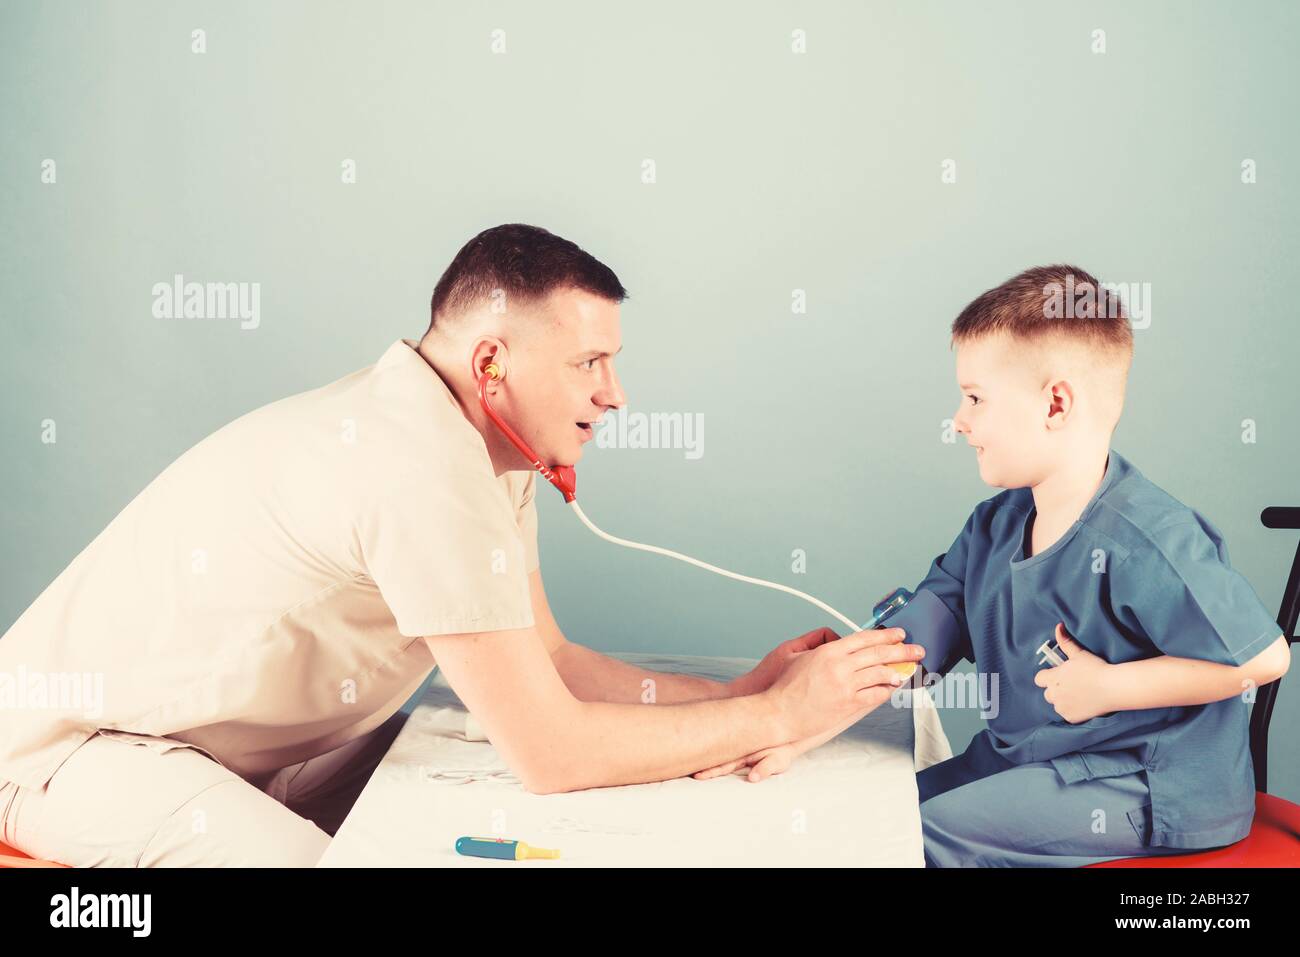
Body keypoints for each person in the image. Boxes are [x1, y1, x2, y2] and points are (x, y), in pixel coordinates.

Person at [0, 224, 919, 866]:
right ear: (492, 364)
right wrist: (779, 718)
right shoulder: (417, 464)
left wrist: (740, 692)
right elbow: (552, 751)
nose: (617, 394)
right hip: (76, 752)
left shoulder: (486, 446)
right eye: (589, 363)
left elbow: (550, 662)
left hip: (232, 746)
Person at [694, 264, 1290, 867]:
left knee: (916, 838)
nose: (959, 420)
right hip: (1027, 762)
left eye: (976, 398)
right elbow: (916, 643)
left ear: (1056, 403)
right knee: (869, 812)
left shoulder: (1147, 539)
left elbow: (1265, 659)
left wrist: (1110, 686)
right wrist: (796, 728)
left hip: (1144, 784)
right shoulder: (993, 526)